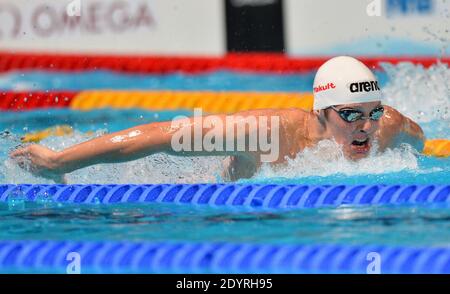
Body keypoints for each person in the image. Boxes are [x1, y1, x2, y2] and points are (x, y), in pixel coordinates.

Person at [10, 56, 425, 182]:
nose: (366, 127)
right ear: (321, 112)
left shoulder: (387, 126)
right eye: (351, 115)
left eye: (372, 113)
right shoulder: (267, 132)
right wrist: (59, 162)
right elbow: (160, 135)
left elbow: (419, 139)